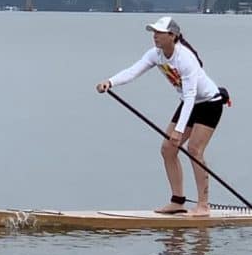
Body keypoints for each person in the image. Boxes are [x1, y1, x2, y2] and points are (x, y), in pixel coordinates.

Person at [95, 16, 227, 216]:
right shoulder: (155, 54)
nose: (155, 36)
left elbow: (190, 96)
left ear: (172, 36)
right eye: (154, 32)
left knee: (194, 150)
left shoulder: (185, 58)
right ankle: (177, 202)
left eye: (159, 33)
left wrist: (179, 131)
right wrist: (110, 82)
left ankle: (203, 205)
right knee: (167, 149)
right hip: (189, 104)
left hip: (210, 103)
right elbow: (133, 71)